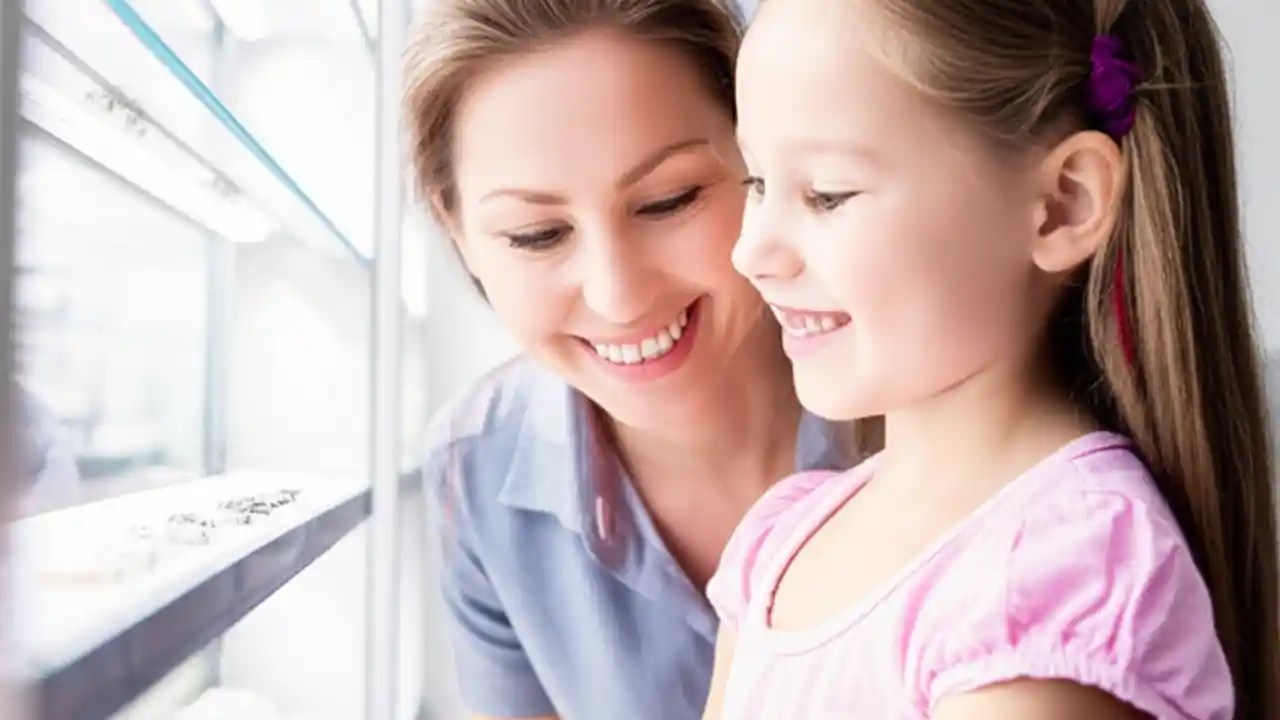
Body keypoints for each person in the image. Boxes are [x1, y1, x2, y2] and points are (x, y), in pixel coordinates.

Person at [704, 0, 1279, 717]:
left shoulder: (1054, 577)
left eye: (827, 194)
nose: (749, 252)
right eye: (756, 183)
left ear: (1063, 205)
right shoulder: (780, 547)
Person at [401, 0, 858, 717]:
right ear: (458, 231)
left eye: (668, 201)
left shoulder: (931, 398)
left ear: (761, 154)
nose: (618, 297)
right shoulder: (476, 469)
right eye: (537, 234)